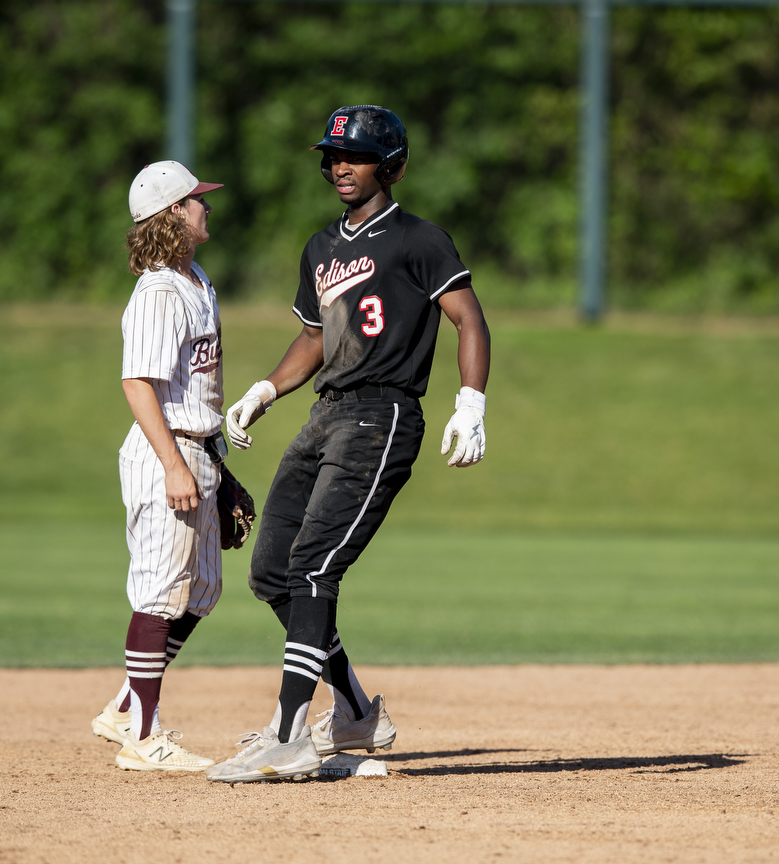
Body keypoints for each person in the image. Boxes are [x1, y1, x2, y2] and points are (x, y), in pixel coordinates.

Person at [206, 105, 491, 782]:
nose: (339, 166)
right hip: (324, 415)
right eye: (331, 156)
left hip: (381, 416)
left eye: (355, 156)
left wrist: (471, 402)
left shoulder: (418, 240)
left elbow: (469, 320)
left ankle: (289, 734)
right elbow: (314, 337)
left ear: (390, 166)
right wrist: (266, 390)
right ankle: (356, 710)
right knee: (272, 572)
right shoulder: (321, 247)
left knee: (311, 567)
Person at [90, 161, 227, 772]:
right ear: (173, 213)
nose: (205, 206)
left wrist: (220, 471)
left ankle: (125, 703)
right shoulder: (157, 292)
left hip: (197, 448)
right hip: (162, 451)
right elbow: (137, 384)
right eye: (196, 200)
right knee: (160, 593)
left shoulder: (195, 278)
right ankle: (143, 739)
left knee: (201, 593)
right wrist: (175, 466)